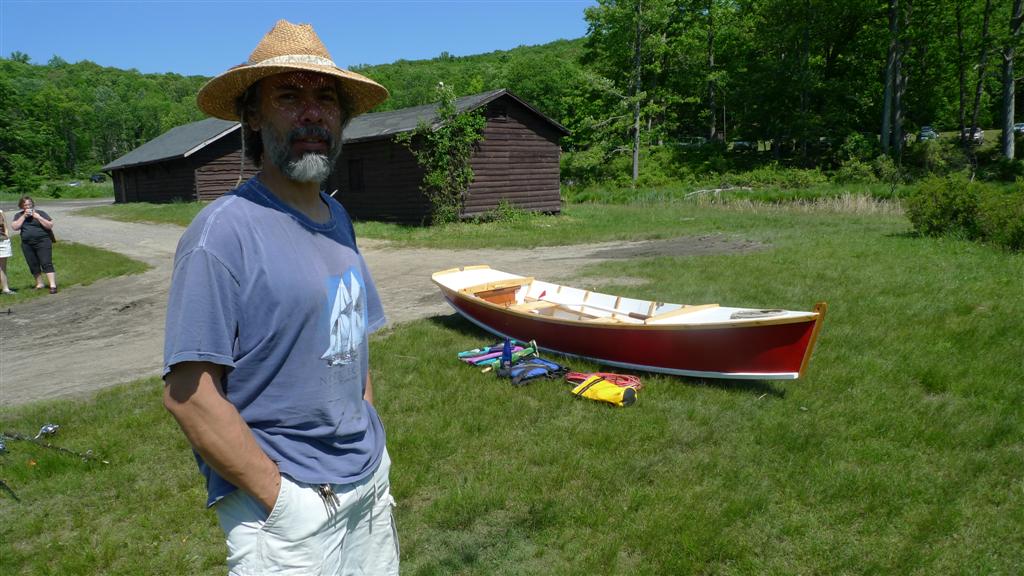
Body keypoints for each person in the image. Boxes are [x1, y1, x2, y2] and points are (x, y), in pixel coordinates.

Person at [162, 20, 398, 575]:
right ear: (252, 116)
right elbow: (190, 394)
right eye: (289, 97)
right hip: (292, 510)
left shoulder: (338, 217)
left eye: (325, 99)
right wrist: (283, 501)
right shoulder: (222, 234)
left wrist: (368, 435)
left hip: (366, 481)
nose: (312, 114)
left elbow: (351, 339)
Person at [10, 196, 57, 294]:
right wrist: (23, 217)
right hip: (27, 243)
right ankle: (39, 284)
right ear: (22, 206)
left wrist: (38, 217)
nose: (28, 206)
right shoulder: (19, 215)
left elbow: (50, 225)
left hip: (43, 241)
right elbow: (14, 227)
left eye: (29, 204)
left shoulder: (41, 213)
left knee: (46, 262)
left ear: (32, 204)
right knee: (33, 264)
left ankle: (52, 285)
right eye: (25, 205)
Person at [0, 209, 14, 294]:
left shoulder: (1, 212)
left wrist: (7, 235)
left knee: (2, 267)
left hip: (3, 241)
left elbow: (5, 225)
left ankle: (5, 288)